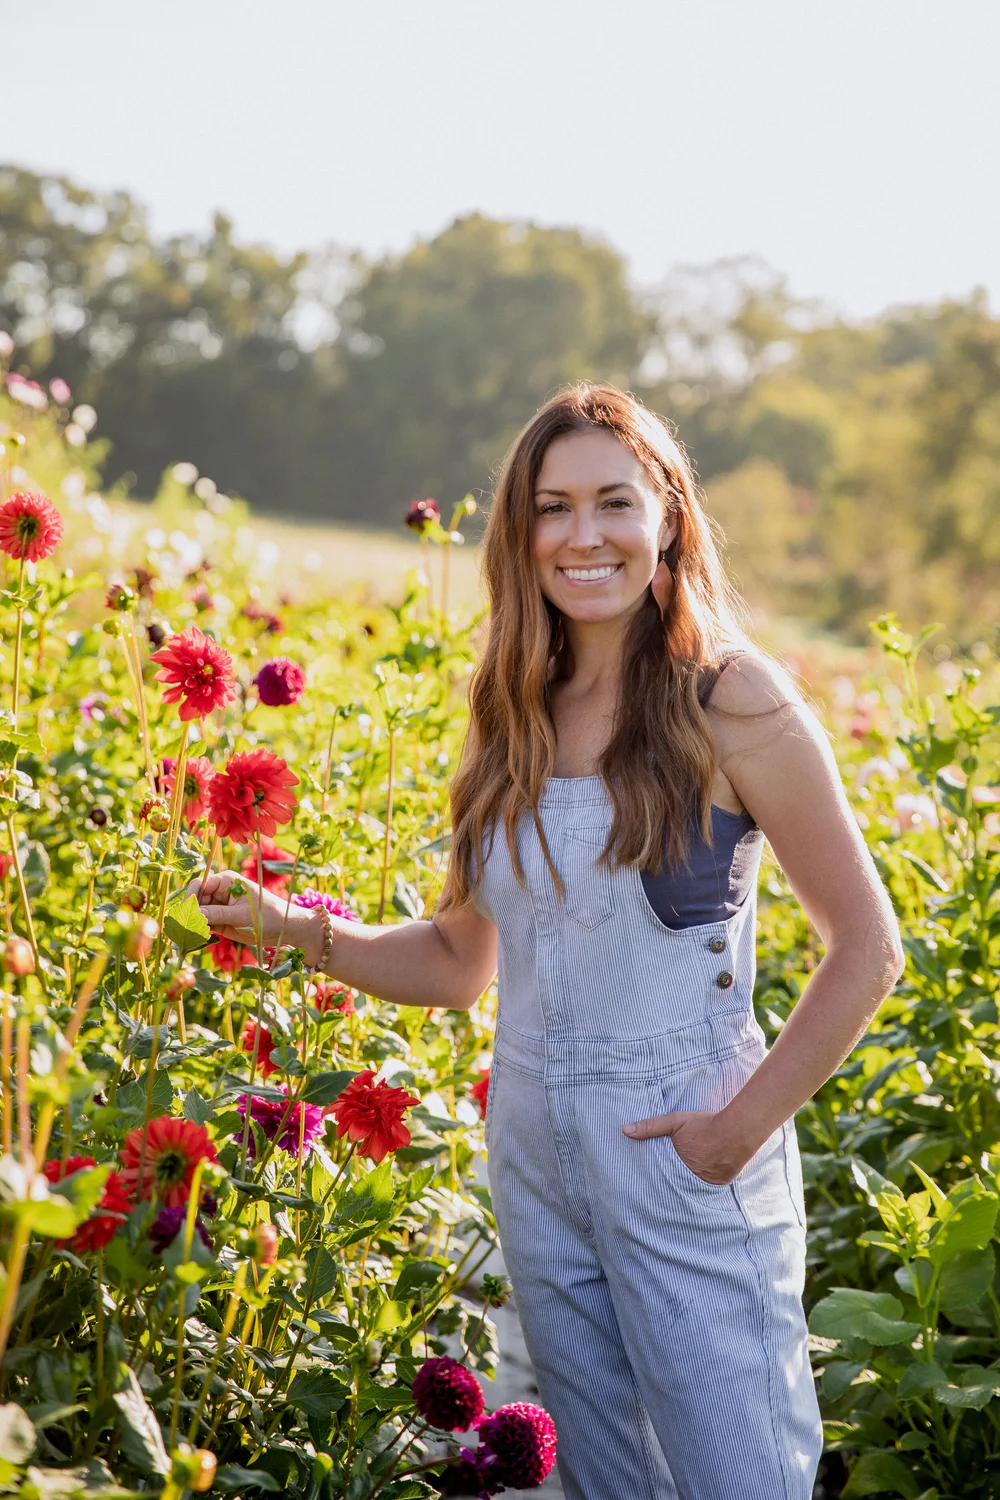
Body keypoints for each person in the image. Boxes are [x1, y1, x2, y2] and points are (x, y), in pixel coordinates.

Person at [192, 384, 904, 1500]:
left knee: (740, 1477)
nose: (584, 536)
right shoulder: (509, 709)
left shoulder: (730, 697)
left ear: (666, 516)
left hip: (682, 1143)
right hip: (534, 1148)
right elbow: (457, 962)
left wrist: (734, 1133)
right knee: (605, 1483)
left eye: (613, 503)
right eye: (553, 506)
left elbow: (866, 946)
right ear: (519, 533)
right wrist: (293, 931)